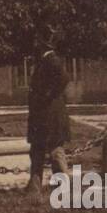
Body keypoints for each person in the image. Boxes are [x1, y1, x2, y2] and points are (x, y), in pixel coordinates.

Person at [26, 30, 71, 200]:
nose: (34, 46)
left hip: (50, 115)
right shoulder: (44, 60)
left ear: (43, 45)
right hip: (42, 115)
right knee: (37, 150)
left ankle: (63, 186)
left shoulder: (51, 59)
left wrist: (48, 95)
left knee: (54, 151)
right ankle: (34, 185)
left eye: (37, 43)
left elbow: (64, 78)